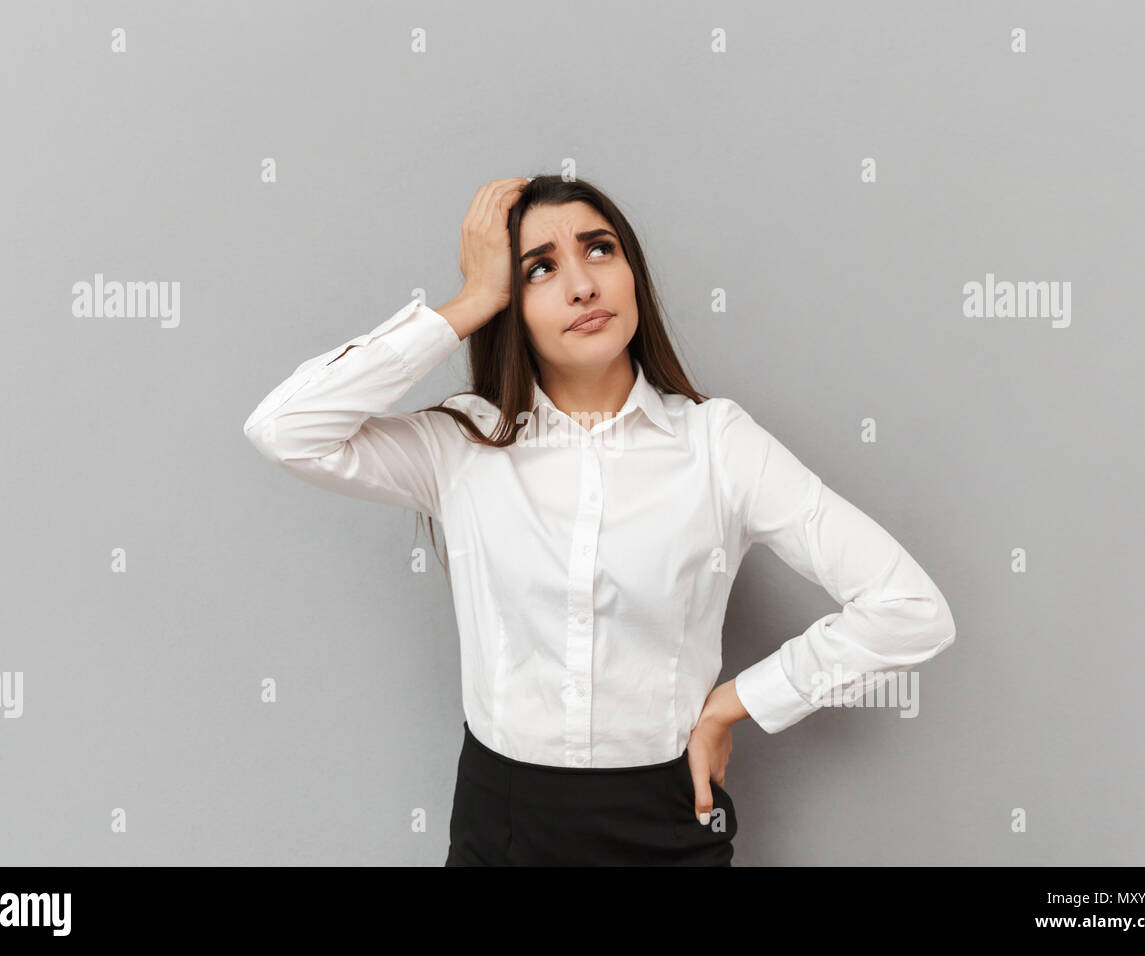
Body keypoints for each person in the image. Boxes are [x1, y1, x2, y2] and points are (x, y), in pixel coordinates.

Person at [242, 176, 957, 866]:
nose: (581, 284)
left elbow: (909, 610)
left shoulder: (718, 444)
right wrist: (470, 300)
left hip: (666, 820)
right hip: (501, 824)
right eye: (539, 269)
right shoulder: (462, 443)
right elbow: (284, 429)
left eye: (599, 249)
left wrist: (736, 705)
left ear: (632, 272)